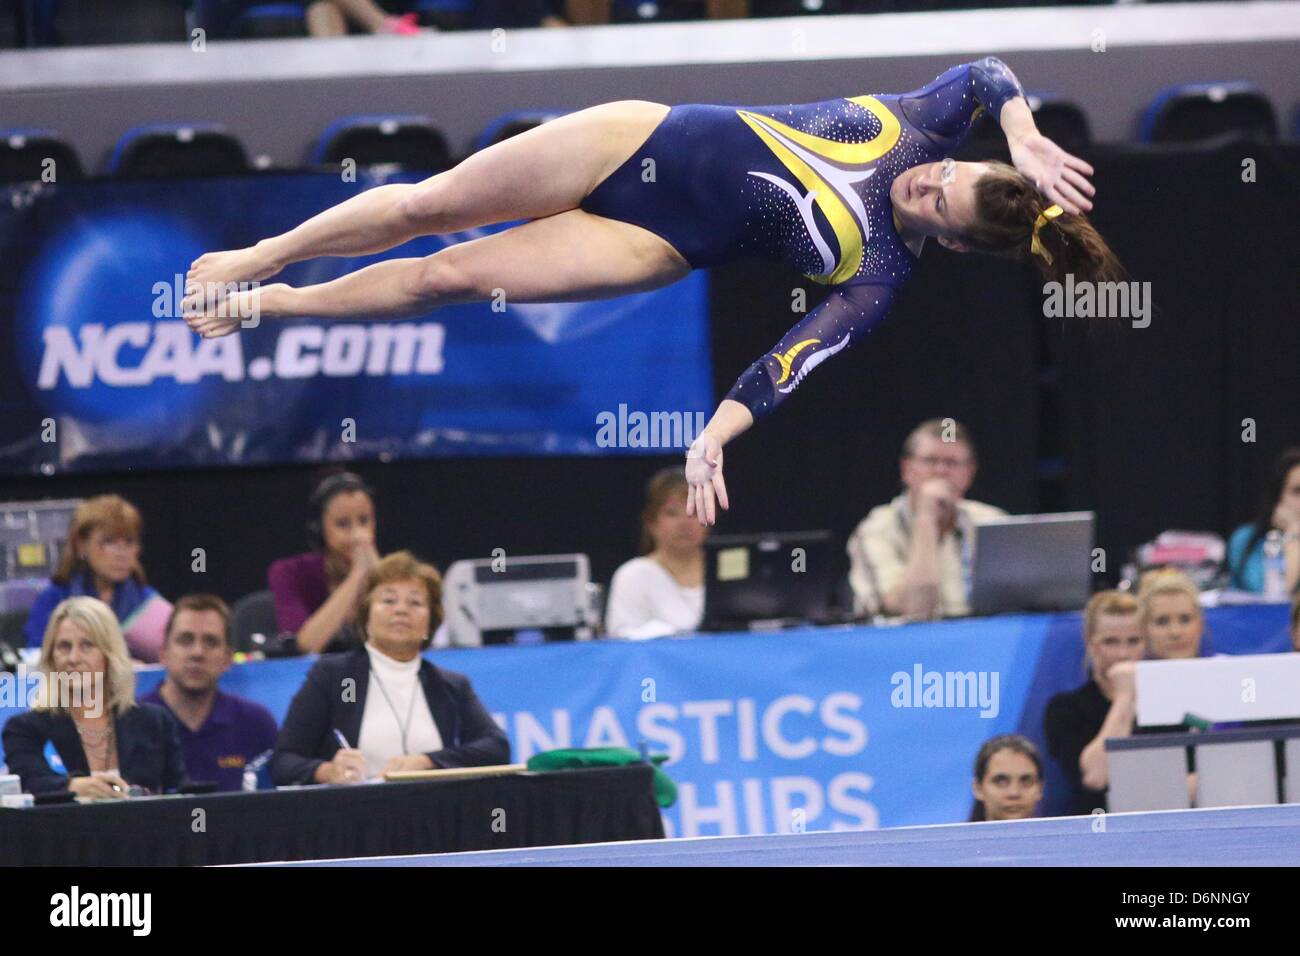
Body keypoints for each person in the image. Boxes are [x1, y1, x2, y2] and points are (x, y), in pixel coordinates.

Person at [181, 57, 1121, 525]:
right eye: (944, 178)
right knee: (428, 205)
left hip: (653, 240)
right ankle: (264, 255)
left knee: (450, 275)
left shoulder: (878, 273)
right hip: (638, 139)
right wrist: (1025, 132)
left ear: (951, 246)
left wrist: (716, 432)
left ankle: (264, 307)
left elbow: (794, 363)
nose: (926, 186)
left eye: (938, 207)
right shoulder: (926, 126)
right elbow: (991, 71)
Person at [270, 550, 510, 785]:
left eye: (415, 602)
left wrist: (427, 762)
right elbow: (283, 761)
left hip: (432, 814)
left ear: (430, 624)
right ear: (366, 617)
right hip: (355, 814)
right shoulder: (333, 675)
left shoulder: (450, 685)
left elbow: (497, 747)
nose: (401, 610)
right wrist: (327, 771)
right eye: (388, 600)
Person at [3, 597, 186, 797]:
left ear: (110, 655)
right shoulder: (25, 729)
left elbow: (178, 793)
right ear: (51, 658)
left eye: (87, 645)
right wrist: (72, 787)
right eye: (64, 646)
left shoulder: (155, 722)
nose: (73, 658)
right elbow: (30, 782)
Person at [846, 418, 1006, 619]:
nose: (941, 471)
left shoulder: (993, 522)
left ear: (969, 472)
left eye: (952, 463)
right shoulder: (876, 530)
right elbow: (915, 609)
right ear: (907, 469)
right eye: (930, 461)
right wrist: (926, 518)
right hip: (905, 645)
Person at [137, 595, 279, 792]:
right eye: (185, 640)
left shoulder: (256, 724)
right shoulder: (132, 722)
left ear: (228, 658)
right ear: (163, 653)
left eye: (211, 642)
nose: (197, 653)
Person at [22, 494, 172, 663]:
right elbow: (36, 663)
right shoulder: (54, 599)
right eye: (109, 542)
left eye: (129, 542)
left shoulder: (147, 601)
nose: (121, 553)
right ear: (81, 545)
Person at [1043, 590, 1144, 816]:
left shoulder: (1167, 704)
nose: (1123, 653)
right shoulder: (1066, 709)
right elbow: (1096, 776)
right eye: (1110, 642)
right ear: (1091, 644)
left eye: (1133, 641)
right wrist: (1125, 697)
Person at [268, 470, 380, 654]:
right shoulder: (289, 572)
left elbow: (409, 641)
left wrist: (379, 574)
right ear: (320, 528)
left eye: (364, 520)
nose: (357, 534)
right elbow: (305, 646)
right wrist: (357, 575)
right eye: (343, 524)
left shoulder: (387, 571)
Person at [605, 468, 708, 638]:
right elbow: (621, 644)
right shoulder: (633, 575)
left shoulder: (726, 573)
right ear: (651, 521)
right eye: (672, 513)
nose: (684, 523)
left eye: (694, 512)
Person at [1226, 447, 1300, 596]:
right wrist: (1293, 536)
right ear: (1277, 496)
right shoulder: (1245, 539)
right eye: (1297, 491)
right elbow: (1270, 599)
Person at [969, 734, 1044, 822]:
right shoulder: (951, 836)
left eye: (1026, 782)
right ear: (978, 788)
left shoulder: (1062, 835)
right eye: (1001, 782)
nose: (1014, 793)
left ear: (1040, 788)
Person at [1137, 567, 1206, 660]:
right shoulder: (1127, 672)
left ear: (1200, 624)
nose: (1175, 632)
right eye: (1162, 622)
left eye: (1185, 619)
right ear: (1144, 628)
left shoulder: (1228, 670)